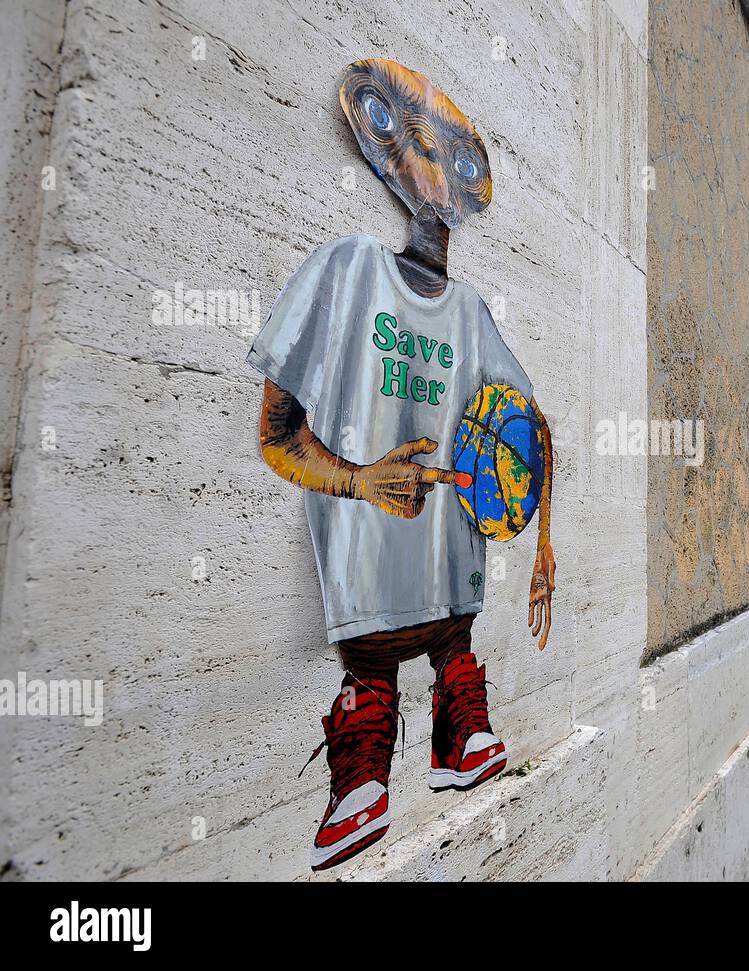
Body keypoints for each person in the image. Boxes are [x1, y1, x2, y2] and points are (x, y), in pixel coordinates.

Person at [247, 59, 556, 871]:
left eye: (451, 153)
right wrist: (357, 478)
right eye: (413, 141)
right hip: (366, 594)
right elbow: (276, 434)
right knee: (372, 675)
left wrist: (543, 542)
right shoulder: (347, 269)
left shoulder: (473, 315)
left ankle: (461, 729)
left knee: (455, 650)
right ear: (383, 148)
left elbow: (531, 426)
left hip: (452, 587)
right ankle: (360, 767)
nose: (430, 167)